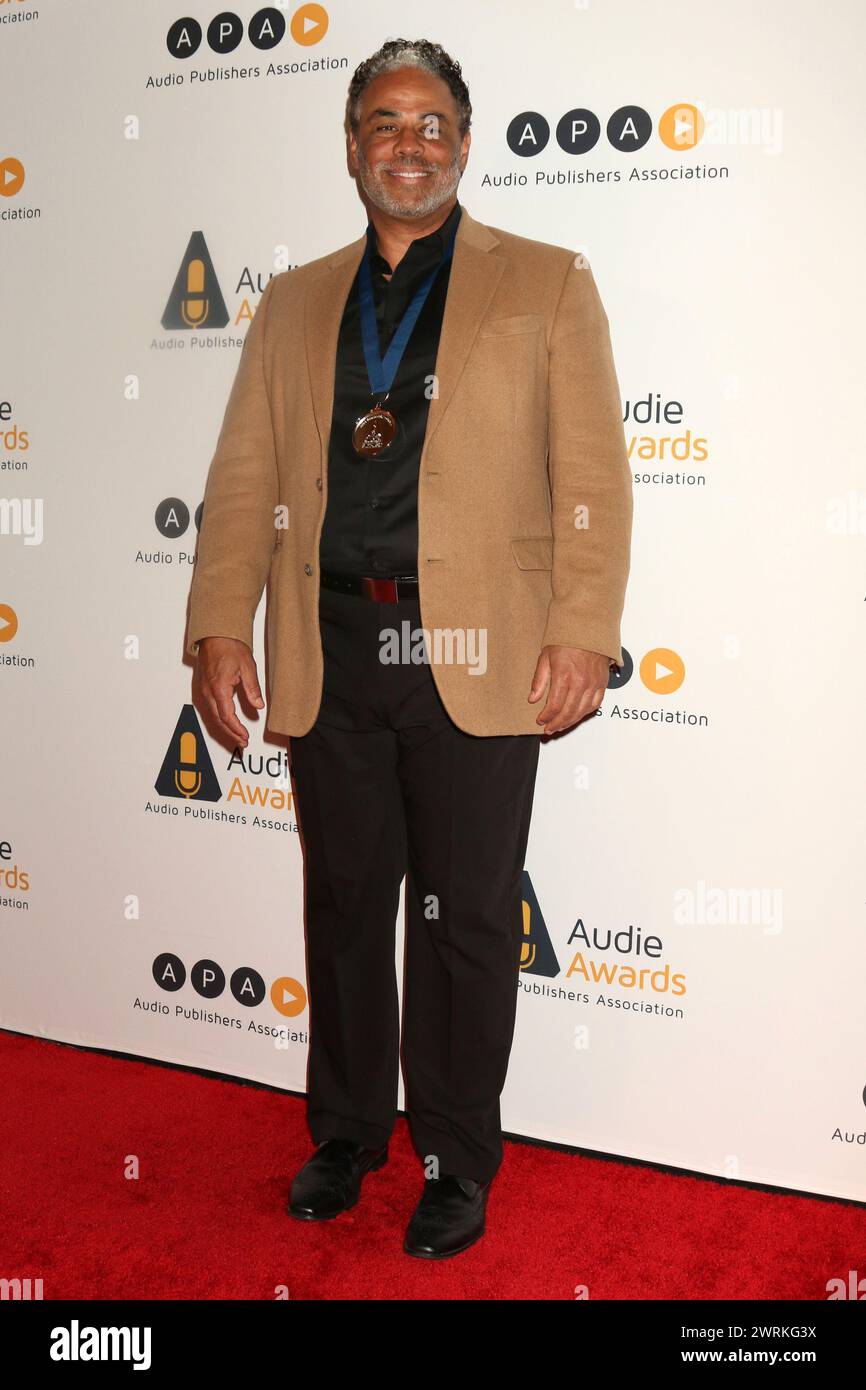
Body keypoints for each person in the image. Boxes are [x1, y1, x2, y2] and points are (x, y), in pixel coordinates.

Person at [187, 38, 633, 1259]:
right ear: (351, 146)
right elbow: (242, 480)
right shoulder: (290, 300)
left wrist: (583, 632)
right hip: (331, 639)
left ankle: (451, 1155)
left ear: (463, 143)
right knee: (341, 904)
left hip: (476, 648)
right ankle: (344, 1135)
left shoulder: (544, 281)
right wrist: (222, 617)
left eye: (430, 123)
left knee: (464, 919)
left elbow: (593, 476)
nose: (408, 144)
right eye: (384, 123)